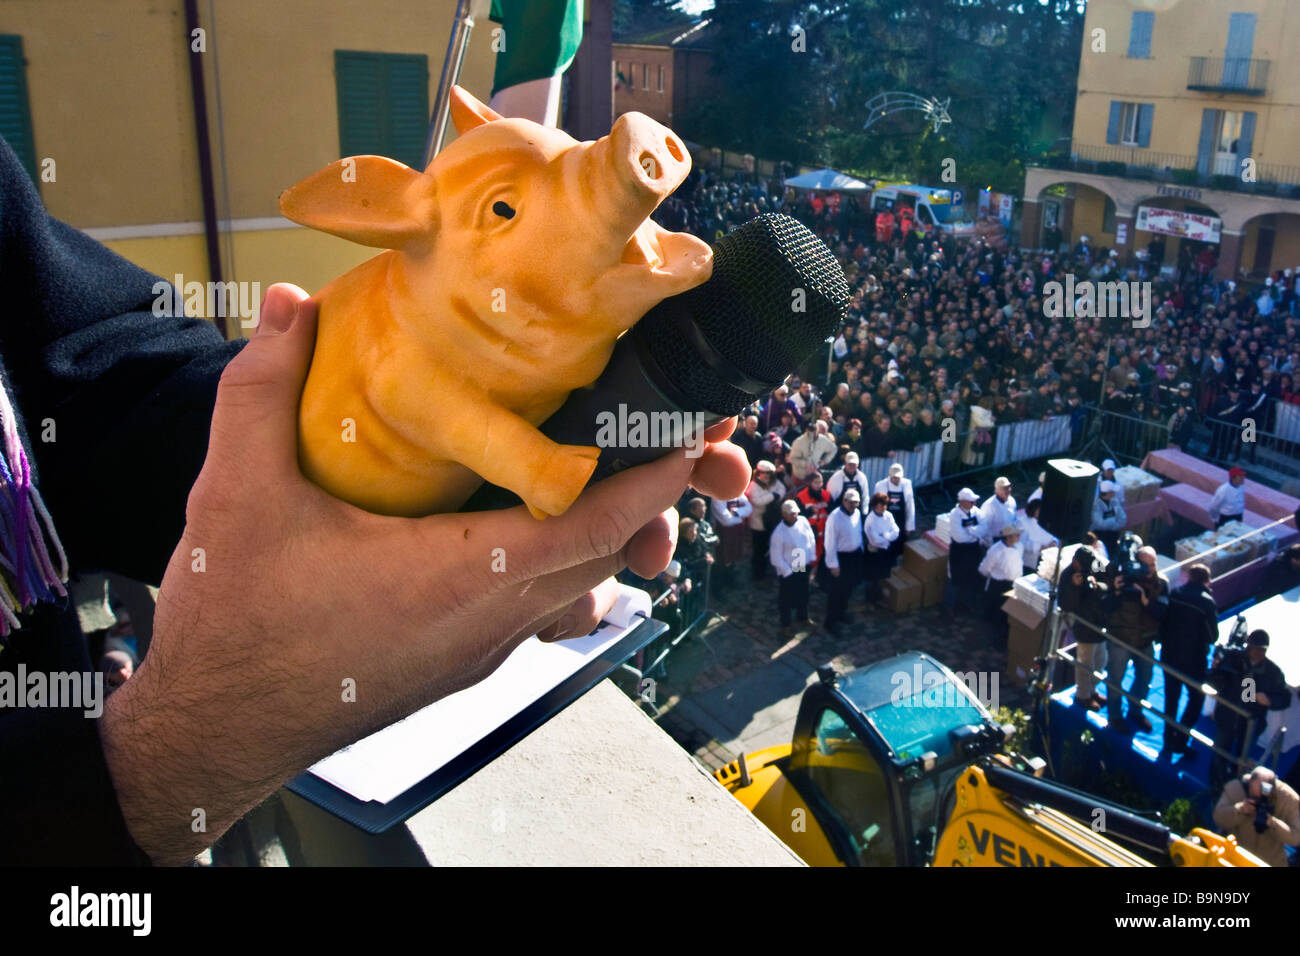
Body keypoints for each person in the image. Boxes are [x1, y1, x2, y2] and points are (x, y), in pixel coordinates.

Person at [0, 137, 753, 864]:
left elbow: (75, 358)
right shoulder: (416, 335)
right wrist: (168, 761)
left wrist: (257, 444)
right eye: (502, 209)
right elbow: (422, 398)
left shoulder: (472, 317)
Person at [1210, 630, 1293, 787]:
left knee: (1241, 761)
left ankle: (1235, 786)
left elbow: (1285, 698)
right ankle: (1216, 786)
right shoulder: (1233, 659)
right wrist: (1216, 668)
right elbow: (1214, 680)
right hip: (1227, 716)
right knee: (1219, 754)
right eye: (1255, 648)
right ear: (1248, 646)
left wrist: (1269, 700)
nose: (1257, 652)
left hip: (1250, 724)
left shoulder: (1272, 672)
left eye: (1262, 649)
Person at [1160, 564, 1218, 757]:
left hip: (1169, 655)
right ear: (1207, 581)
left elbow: (1163, 621)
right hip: (1193, 661)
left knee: (1171, 699)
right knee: (1196, 699)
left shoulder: (1175, 594)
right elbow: (1212, 636)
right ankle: (1180, 740)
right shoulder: (1207, 603)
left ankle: (1168, 740)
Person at [1103, 557, 1164, 735]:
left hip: (1145, 640)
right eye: (1146, 565)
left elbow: (1162, 613)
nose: (1149, 569)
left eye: (1153, 564)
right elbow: (1105, 607)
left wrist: (1146, 600)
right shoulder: (1119, 579)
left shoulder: (1161, 584)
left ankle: (1135, 710)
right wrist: (1116, 590)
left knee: (1145, 678)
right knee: (1115, 678)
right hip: (1120, 639)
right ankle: (1114, 716)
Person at [1212, 767, 1300, 868]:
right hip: (1235, 857)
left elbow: (1296, 837)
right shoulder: (1235, 788)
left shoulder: (1288, 799)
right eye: (1254, 796)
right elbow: (1218, 817)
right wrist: (1240, 809)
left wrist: (1273, 823)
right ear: (1249, 782)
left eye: (1262, 798)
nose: (1258, 802)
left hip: (1269, 862)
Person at [1058, 546, 1108, 710]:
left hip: (1100, 622)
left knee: (1100, 662)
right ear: (1075, 561)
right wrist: (1074, 586)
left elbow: (1109, 583)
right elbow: (1066, 605)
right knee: (1085, 664)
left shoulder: (1096, 567)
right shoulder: (1067, 575)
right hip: (1084, 626)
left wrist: (1097, 586)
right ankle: (1083, 695)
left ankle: (1092, 690)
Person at [769, 499, 816, 634]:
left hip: (801, 561)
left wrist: (812, 557)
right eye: (791, 514)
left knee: (804, 592)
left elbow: (811, 539)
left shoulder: (803, 521)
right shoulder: (779, 533)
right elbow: (775, 557)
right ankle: (786, 625)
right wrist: (788, 572)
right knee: (786, 598)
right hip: (788, 567)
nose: (794, 516)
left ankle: (803, 616)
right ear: (784, 514)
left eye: (795, 513)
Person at [823, 488, 865, 635]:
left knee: (848, 588)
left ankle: (842, 613)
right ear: (844, 501)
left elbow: (858, 531)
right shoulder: (835, 517)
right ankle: (830, 622)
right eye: (850, 502)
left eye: (856, 502)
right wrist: (833, 565)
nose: (853, 505)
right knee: (837, 591)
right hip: (841, 558)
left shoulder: (857, 513)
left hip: (855, 556)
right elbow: (830, 543)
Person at [978, 524, 1023, 645]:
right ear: (1008, 537)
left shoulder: (1019, 547)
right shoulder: (996, 550)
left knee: (1005, 615)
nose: (1019, 537)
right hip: (998, 586)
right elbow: (984, 568)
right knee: (997, 614)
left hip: (1012, 585)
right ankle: (994, 640)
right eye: (1016, 535)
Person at [945, 488, 986, 614]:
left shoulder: (976, 511)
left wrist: (970, 531)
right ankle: (950, 605)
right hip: (959, 552)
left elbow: (984, 528)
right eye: (971, 502)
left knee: (971, 576)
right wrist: (975, 534)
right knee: (955, 578)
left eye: (974, 501)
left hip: (974, 550)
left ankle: (966, 603)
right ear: (962, 502)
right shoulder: (954, 515)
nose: (974, 504)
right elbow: (959, 537)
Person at [745, 460, 786, 581]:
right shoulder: (753, 485)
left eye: (769, 473)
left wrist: (775, 495)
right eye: (764, 473)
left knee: (769, 547)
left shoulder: (774, 482)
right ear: (758, 473)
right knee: (759, 550)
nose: (767, 475)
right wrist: (773, 496)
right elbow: (757, 501)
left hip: (771, 521)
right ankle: (757, 574)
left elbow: (782, 489)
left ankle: (767, 570)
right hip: (758, 523)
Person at [872, 462, 914, 569]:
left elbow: (910, 506)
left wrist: (909, 527)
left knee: (899, 545)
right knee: (884, 545)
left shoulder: (907, 484)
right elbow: (875, 506)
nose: (896, 480)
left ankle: (895, 566)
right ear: (889, 476)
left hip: (900, 521)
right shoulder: (880, 485)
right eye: (894, 477)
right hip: (884, 522)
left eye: (898, 478)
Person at [862, 491, 900, 603]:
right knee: (872, 578)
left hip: (885, 551)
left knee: (883, 576)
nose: (884, 508)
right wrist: (888, 537)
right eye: (881, 505)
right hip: (874, 553)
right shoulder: (870, 520)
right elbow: (875, 540)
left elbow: (896, 531)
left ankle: (880, 597)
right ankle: (870, 600)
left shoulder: (889, 516)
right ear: (875, 506)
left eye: (885, 505)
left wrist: (885, 536)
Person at [788, 420, 836, 485]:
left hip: (814, 476)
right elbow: (792, 459)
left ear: (818, 428)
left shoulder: (823, 440)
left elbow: (834, 449)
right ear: (806, 430)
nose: (812, 431)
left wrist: (825, 460)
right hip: (800, 476)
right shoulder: (798, 442)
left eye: (814, 429)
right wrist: (805, 464)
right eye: (810, 429)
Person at [1018, 499, 1059, 576]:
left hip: (1045, 561)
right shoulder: (1022, 522)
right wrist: (1041, 547)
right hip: (1028, 563)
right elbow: (1022, 542)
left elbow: (1055, 536)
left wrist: (1054, 541)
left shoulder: (1047, 521)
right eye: (1039, 510)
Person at [1091, 481, 1127, 557]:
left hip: (1113, 536)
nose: (1114, 493)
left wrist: (1112, 525)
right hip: (1099, 537)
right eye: (1112, 491)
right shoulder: (1096, 504)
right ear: (1108, 492)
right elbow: (1100, 524)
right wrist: (1114, 521)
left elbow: (1123, 518)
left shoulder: (1114, 501)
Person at [978, 477, 1017, 547]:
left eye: (1008, 487)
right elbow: (985, 528)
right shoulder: (989, 505)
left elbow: (1014, 521)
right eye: (1004, 488)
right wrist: (991, 545)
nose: (1007, 490)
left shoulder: (1012, 500)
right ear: (996, 490)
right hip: (995, 540)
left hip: (1010, 538)